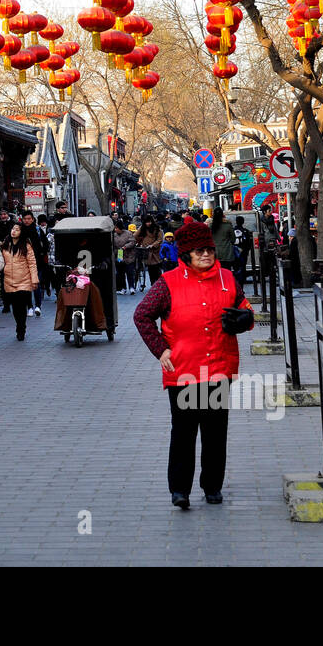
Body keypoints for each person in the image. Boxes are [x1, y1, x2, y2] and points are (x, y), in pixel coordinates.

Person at [133, 217, 254, 511]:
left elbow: (244, 308)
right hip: (185, 370)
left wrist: (245, 319)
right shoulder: (169, 283)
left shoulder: (227, 278)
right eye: (198, 251)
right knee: (184, 432)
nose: (205, 255)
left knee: (215, 432)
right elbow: (142, 315)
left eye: (208, 250)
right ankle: (179, 490)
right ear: (186, 254)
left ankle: (212, 486)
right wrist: (160, 350)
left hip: (218, 368)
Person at [0, 222, 39, 341]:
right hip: (9, 280)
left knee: (21, 306)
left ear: (21, 232)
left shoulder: (26, 246)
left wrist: (34, 280)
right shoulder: (5, 245)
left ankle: (21, 329)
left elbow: (32, 264)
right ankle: (19, 325)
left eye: (17, 229)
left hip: (24, 280)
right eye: (12, 229)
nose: (14, 231)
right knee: (15, 308)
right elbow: (0, 260)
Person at [20, 213, 46, 315]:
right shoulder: (20, 230)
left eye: (29, 219)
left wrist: (41, 253)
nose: (27, 221)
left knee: (36, 284)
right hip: (24, 261)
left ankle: (38, 306)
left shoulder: (38, 230)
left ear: (32, 219)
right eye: (25, 219)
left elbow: (45, 245)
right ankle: (29, 307)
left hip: (38, 262)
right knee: (26, 285)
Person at [136, 220, 161, 288]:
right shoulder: (142, 228)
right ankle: (153, 283)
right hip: (145, 249)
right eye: (147, 222)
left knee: (156, 267)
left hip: (154, 250)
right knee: (150, 268)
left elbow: (160, 239)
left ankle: (158, 282)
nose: (148, 223)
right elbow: (135, 236)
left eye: (149, 222)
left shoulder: (157, 229)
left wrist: (153, 245)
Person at [112, 223, 136, 294]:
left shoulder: (128, 233)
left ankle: (131, 287)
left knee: (129, 272)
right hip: (119, 253)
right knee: (120, 272)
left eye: (117, 228)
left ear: (120, 228)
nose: (115, 229)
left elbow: (133, 242)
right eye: (115, 228)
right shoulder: (114, 235)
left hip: (128, 254)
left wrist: (126, 246)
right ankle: (123, 288)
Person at [232, 216, 253, 289]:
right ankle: (241, 287)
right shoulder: (246, 231)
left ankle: (236, 285)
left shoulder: (232, 230)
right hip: (243, 253)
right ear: (243, 222)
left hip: (234, 254)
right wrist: (246, 250)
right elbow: (249, 243)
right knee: (242, 269)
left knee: (235, 269)